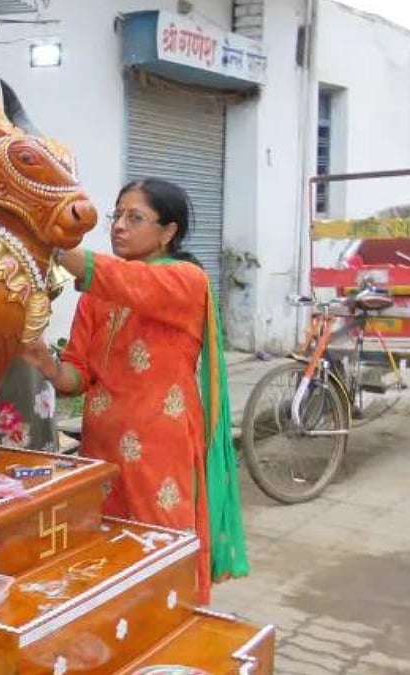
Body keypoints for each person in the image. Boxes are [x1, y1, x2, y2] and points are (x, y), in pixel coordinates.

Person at [21, 178, 248, 603]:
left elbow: (128, 282)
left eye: (135, 217)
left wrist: (49, 244)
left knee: (160, 546)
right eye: (117, 216)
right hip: (101, 450)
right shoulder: (96, 295)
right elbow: (78, 377)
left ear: (168, 231)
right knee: (106, 553)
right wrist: (47, 364)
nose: (119, 226)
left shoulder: (186, 281)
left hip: (160, 449)